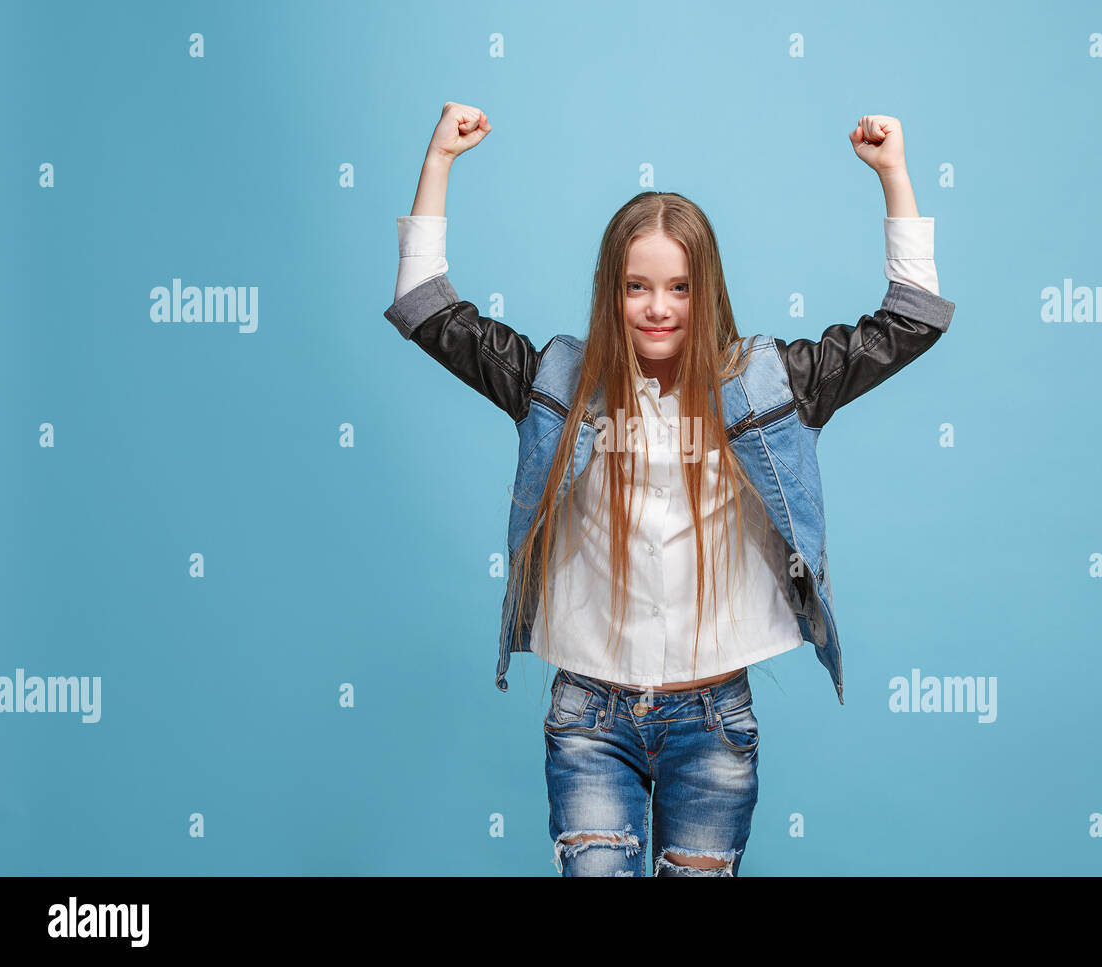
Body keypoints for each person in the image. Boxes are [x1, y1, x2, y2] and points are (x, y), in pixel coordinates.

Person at [381, 102, 956, 875]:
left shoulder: (769, 385)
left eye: (680, 287)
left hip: (712, 717)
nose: (658, 307)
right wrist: (438, 165)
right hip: (589, 716)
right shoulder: (557, 382)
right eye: (637, 286)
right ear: (608, 290)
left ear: (706, 288)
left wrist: (894, 175)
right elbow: (427, 309)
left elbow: (910, 320)